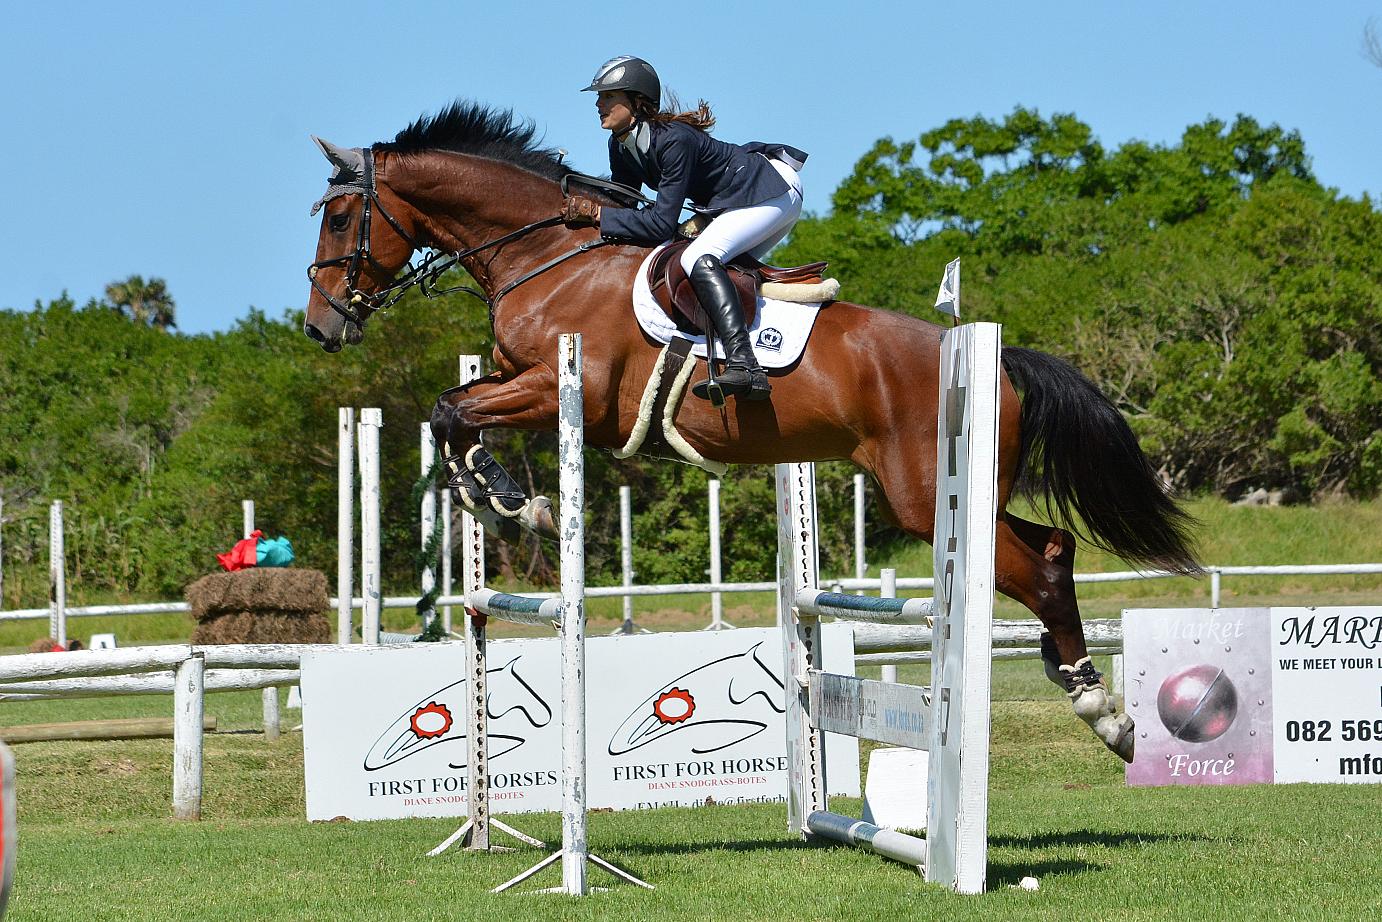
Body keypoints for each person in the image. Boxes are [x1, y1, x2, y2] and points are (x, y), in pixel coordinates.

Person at [564, 56, 808, 401]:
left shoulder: (673, 140)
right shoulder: (619, 145)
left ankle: (745, 365)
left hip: (771, 191)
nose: (598, 103)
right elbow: (626, 205)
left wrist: (596, 215)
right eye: (599, 96)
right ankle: (759, 355)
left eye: (608, 96)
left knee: (699, 256)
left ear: (636, 100)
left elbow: (660, 223)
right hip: (740, 201)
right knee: (711, 267)